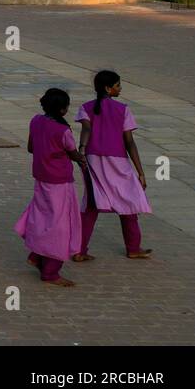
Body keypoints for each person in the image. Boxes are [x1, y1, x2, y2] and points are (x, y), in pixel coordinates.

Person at [73, 70, 152, 262]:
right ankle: (133, 247)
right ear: (108, 88)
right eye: (117, 85)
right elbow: (130, 142)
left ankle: (79, 250)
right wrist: (140, 172)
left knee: (92, 203)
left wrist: (81, 150)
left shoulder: (86, 107)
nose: (120, 88)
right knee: (129, 202)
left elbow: (86, 129)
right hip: (118, 161)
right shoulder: (123, 109)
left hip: (92, 159)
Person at [15, 88, 87, 287]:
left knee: (42, 218)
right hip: (60, 182)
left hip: (41, 179)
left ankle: (37, 255)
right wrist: (81, 158)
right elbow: (72, 152)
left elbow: (31, 147)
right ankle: (50, 271)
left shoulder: (36, 121)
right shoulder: (63, 130)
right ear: (63, 110)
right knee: (60, 226)